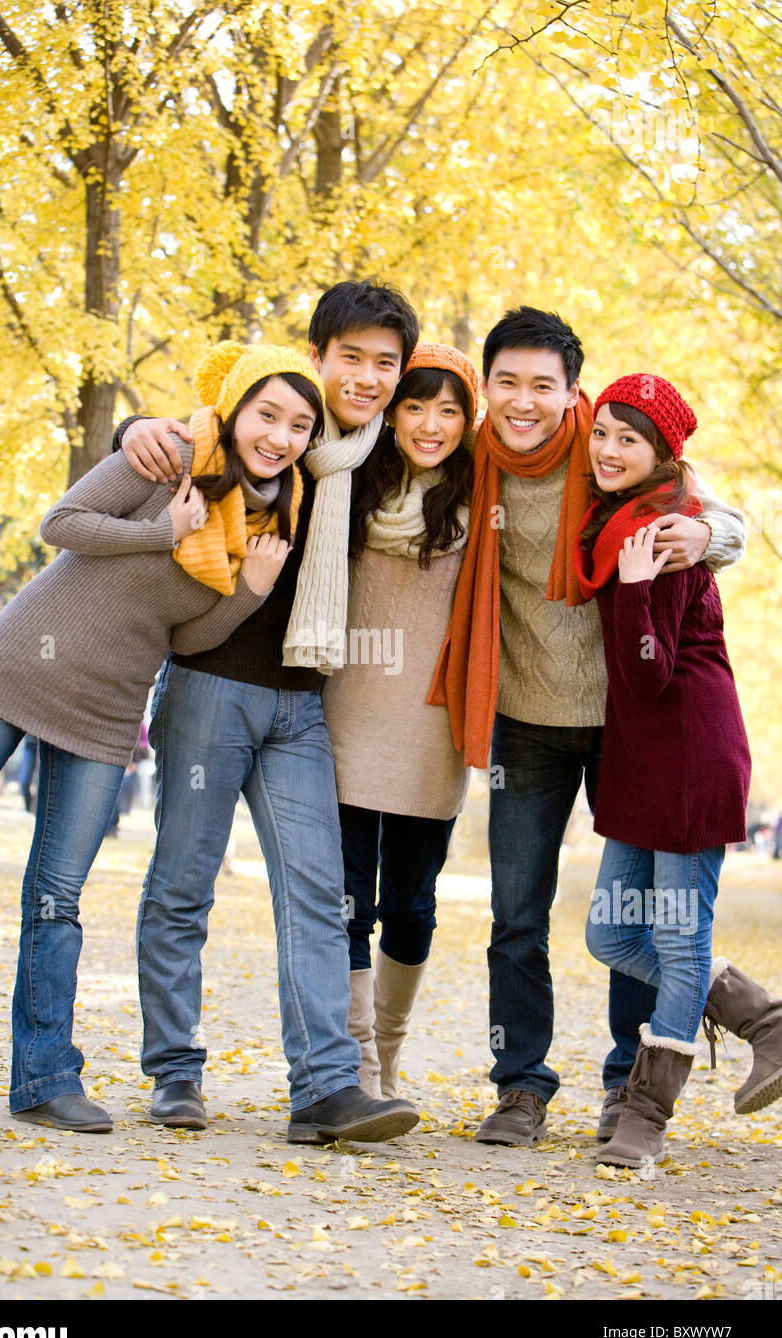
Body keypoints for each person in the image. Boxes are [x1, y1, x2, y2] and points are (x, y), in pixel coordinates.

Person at [0, 345, 328, 1131]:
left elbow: (189, 634)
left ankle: (43, 1081)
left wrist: (250, 591)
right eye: (268, 414)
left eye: (299, 425)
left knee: (57, 897)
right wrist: (162, 533)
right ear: (237, 407)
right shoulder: (166, 453)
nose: (279, 435)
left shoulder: (273, 517)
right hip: (16, 670)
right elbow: (61, 524)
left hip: (109, 713)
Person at [426, 307, 748, 1146]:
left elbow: (721, 516)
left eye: (544, 385)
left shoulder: (612, 449)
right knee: (517, 915)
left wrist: (710, 529)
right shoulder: (470, 457)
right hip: (526, 722)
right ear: (484, 386)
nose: (524, 401)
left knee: (632, 915)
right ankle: (520, 1087)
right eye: (507, 383)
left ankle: (624, 1083)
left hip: (625, 722)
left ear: (574, 392)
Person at [119, 283, 423, 1143]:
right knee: (183, 883)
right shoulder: (268, 416)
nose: (366, 378)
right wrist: (128, 429)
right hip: (209, 687)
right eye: (351, 358)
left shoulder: (378, 454)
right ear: (317, 357)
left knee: (321, 899)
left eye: (385, 364)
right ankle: (175, 1073)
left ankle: (325, 1091)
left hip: (302, 703)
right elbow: (173, 437)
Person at [575, 373, 782, 1164]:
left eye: (631, 439)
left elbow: (650, 673)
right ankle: (760, 1015)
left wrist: (631, 591)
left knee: (677, 934)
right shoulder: (622, 516)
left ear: (663, 453)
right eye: (603, 433)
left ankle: (646, 1117)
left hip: (688, 754)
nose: (609, 449)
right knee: (609, 933)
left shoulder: (665, 530)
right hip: (642, 759)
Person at [322, 343, 477, 1097]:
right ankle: (355, 1063)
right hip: (345, 712)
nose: (430, 422)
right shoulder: (346, 477)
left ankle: (388, 1050)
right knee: (348, 896)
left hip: (432, 724)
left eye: (449, 409)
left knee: (412, 902)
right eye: (415, 404)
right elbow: (255, 407)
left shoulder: (481, 496)